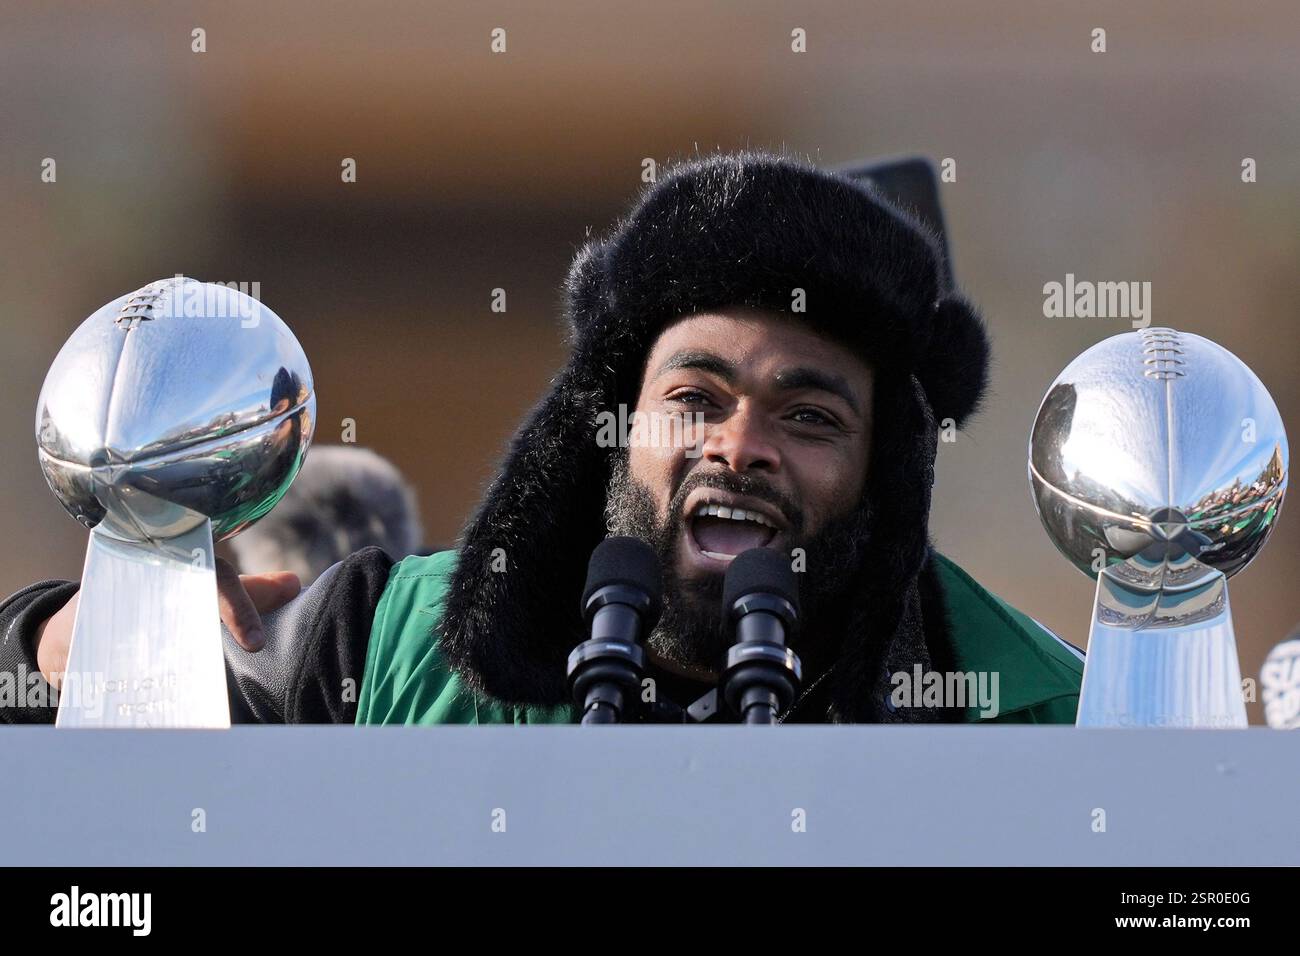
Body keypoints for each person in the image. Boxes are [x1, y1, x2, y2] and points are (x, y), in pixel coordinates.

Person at [0, 151, 1083, 725]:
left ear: (879, 474)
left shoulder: (1034, 709)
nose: (739, 444)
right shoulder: (379, 644)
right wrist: (61, 646)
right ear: (614, 430)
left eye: (808, 417)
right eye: (695, 399)